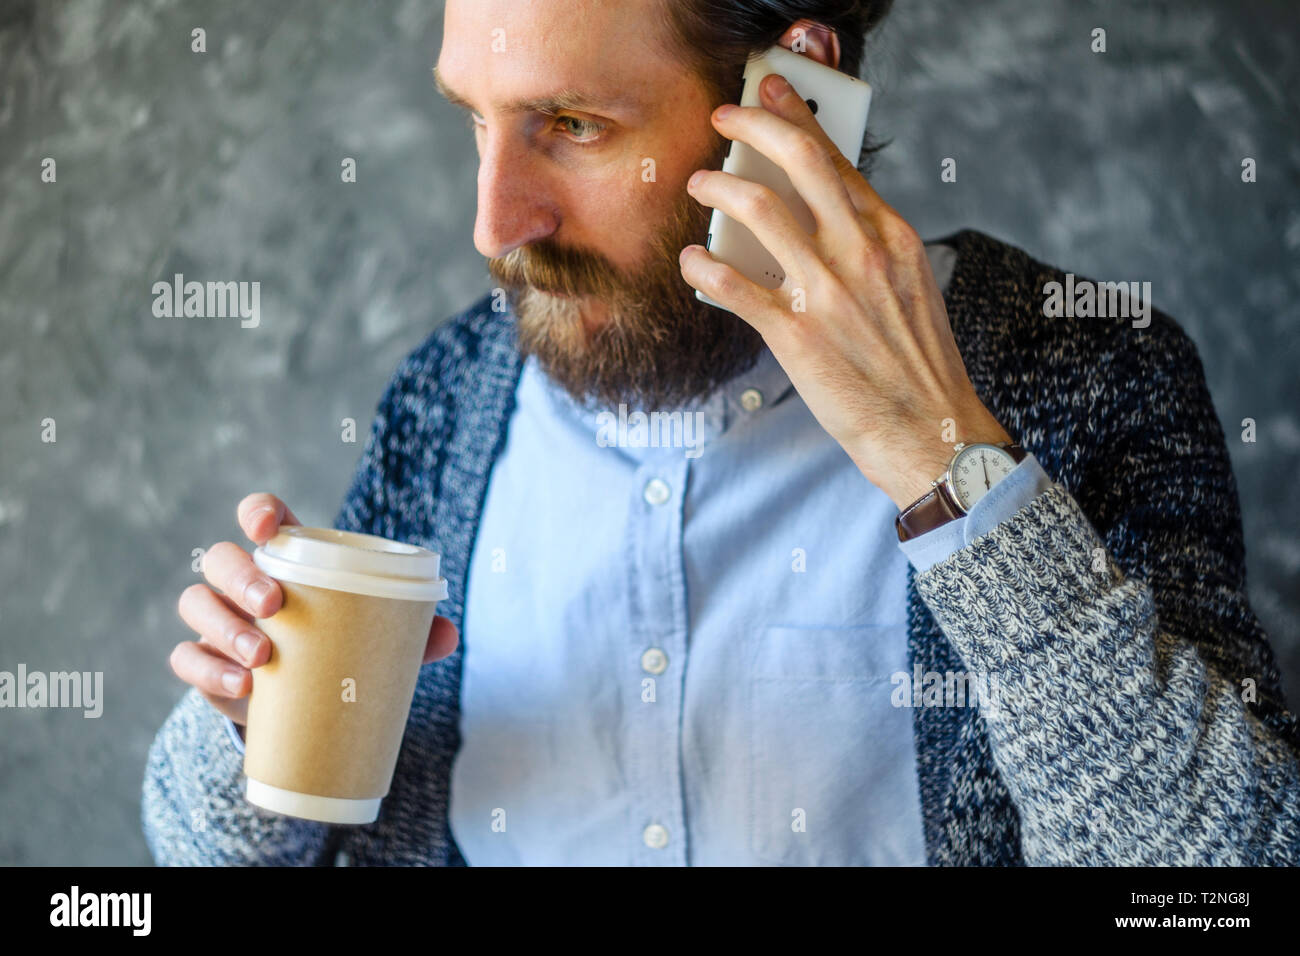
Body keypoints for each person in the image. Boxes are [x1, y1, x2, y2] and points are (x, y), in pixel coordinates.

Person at [143, 0, 1300, 865]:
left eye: (573, 124)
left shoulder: (1087, 366)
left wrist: (948, 465)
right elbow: (211, 858)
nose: (495, 224)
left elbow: (1220, 878)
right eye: (475, 123)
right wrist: (250, 730)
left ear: (788, 90)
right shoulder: (445, 399)